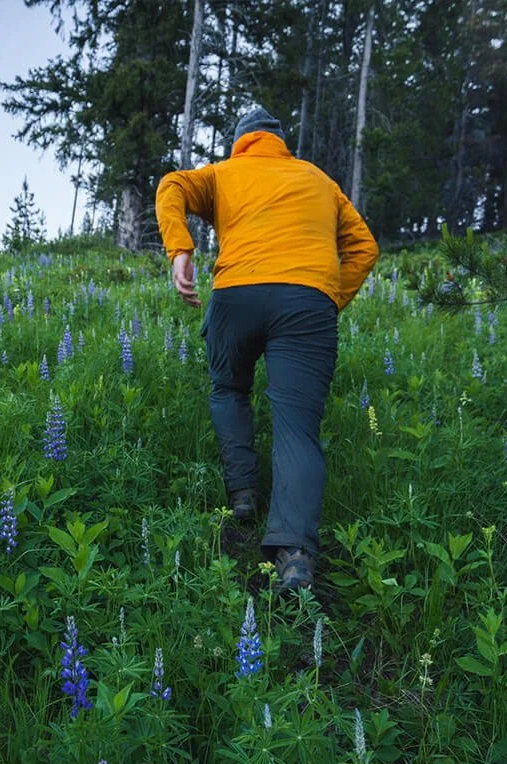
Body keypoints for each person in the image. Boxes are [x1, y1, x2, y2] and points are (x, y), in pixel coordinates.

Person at [156, 106, 379, 591]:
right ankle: (295, 554)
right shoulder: (319, 180)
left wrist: (181, 248)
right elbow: (364, 247)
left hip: (237, 296)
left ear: (240, 143)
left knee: (228, 387)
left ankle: (242, 492)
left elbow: (171, 184)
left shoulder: (221, 174)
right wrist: (329, 295)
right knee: (297, 427)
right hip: (306, 303)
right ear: (282, 143)